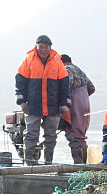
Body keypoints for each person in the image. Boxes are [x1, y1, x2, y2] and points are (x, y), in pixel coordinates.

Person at [15, 34, 70, 164]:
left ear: (50, 48)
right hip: (33, 106)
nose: (43, 50)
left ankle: (48, 163)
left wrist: (65, 103)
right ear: (36, 47)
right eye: (40, 47)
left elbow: (64, 85)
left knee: (51, 137)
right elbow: (20, 82)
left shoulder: (57, 62)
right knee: (31, 135)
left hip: (53, 106)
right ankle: (29, 163)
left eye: (46, 47)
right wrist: (22, 102)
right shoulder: (28, 61)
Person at [60, 54, 96, 164]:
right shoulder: (80, 71)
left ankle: (78, 164)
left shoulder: (66, 69)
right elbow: (92, 88)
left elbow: (66, 85)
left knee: (73, 134)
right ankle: (83, 163)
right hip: (85, 104)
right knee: (81, 136)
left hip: (75, 104)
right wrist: (83, 96)